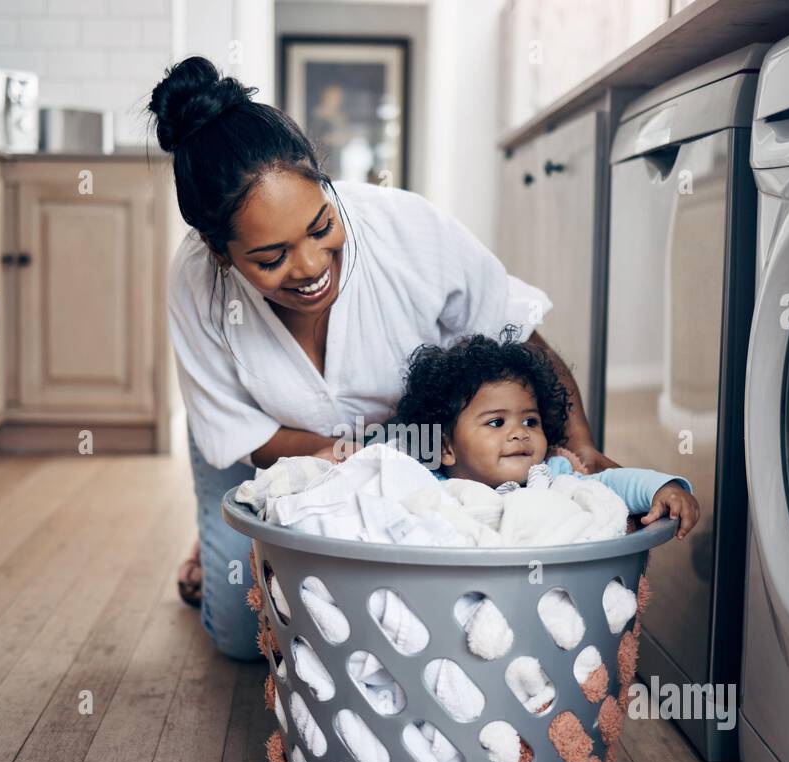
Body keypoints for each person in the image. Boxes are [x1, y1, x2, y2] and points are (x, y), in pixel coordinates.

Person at [150, 56, 628, 661]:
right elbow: (244, 432)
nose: (311, 267)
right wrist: (340, 460)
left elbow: (517, 334)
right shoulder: (196, 283)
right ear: (220, 254)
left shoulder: (407, 230)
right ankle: (211, 541)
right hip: (255, 442)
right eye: (271, 259)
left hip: (404, 446)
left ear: (325, 186)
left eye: (321, 227)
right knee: (247, 639)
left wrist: (579, 440)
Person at [391, 333, 700, 537]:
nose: (519, 434)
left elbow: (608, 485)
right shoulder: (431, 489)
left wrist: (663, 488)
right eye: (497, 423)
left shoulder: (552, 476)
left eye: (530, 421)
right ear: (446, 447)